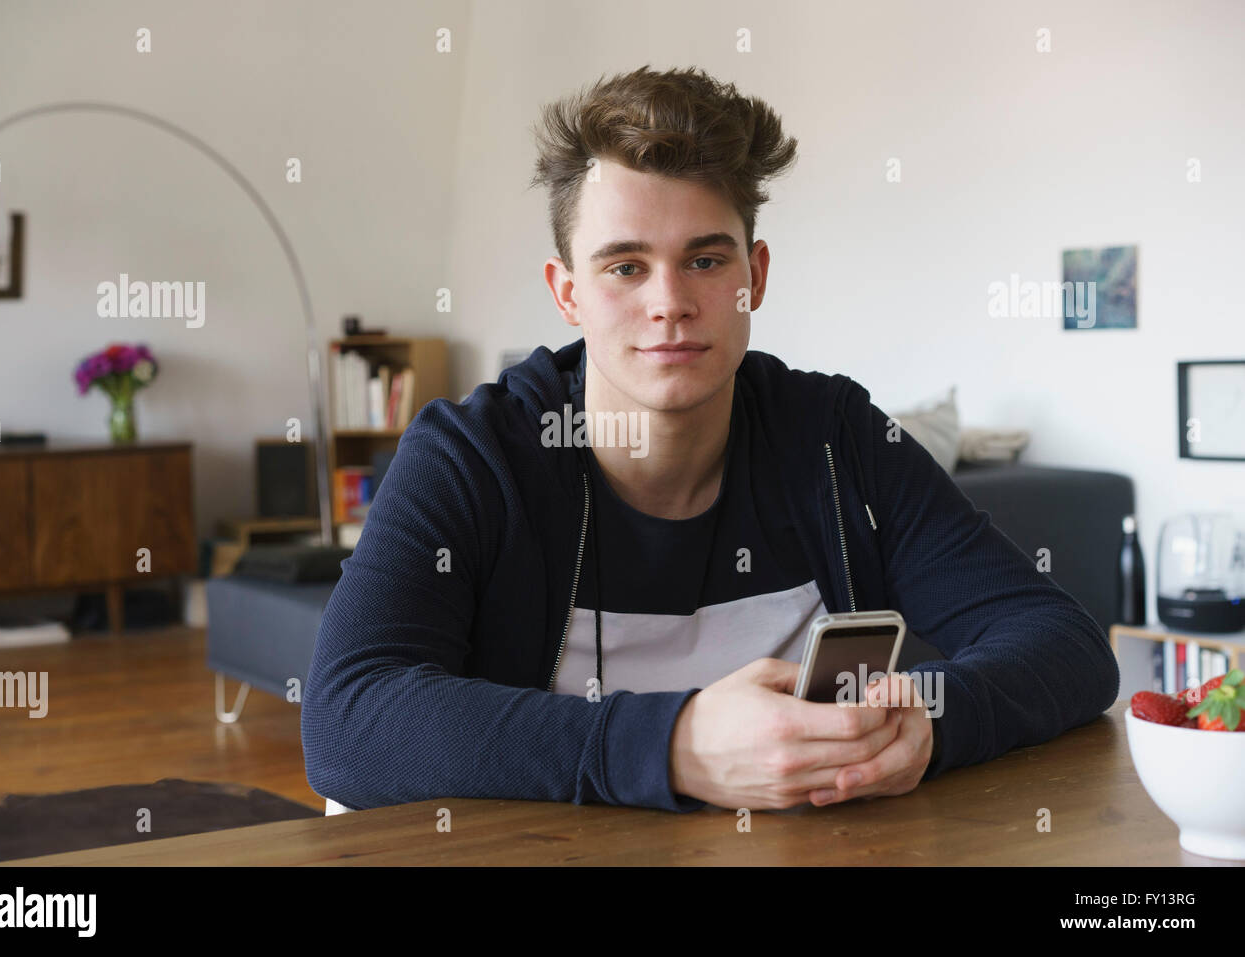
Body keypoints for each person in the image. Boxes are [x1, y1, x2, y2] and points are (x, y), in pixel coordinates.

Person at [301, 65, 1119, 813]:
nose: (670, 303)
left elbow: (1067, 645)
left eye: (704, 259)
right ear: (568, 293)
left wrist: (931, 723)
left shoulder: (838, 438)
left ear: (753, 276)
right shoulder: (473, 455)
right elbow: (348, 720)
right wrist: (678, 745)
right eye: (624, 266)